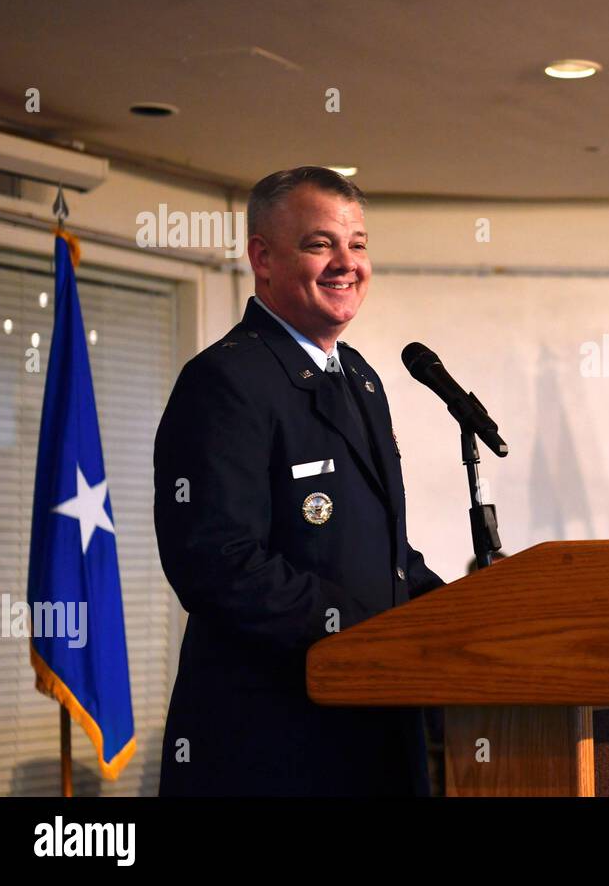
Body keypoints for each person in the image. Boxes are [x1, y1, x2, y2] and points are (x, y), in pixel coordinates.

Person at [153, 166, 445, 795]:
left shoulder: (362, 378)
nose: (347, 263)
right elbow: (218, 564)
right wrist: (368, 628)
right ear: (262, 258)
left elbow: (383, 557)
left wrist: (469, 612)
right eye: (321, 244)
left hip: (376, 732)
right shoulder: (226, 381)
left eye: (358, 244)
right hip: (276, 747)